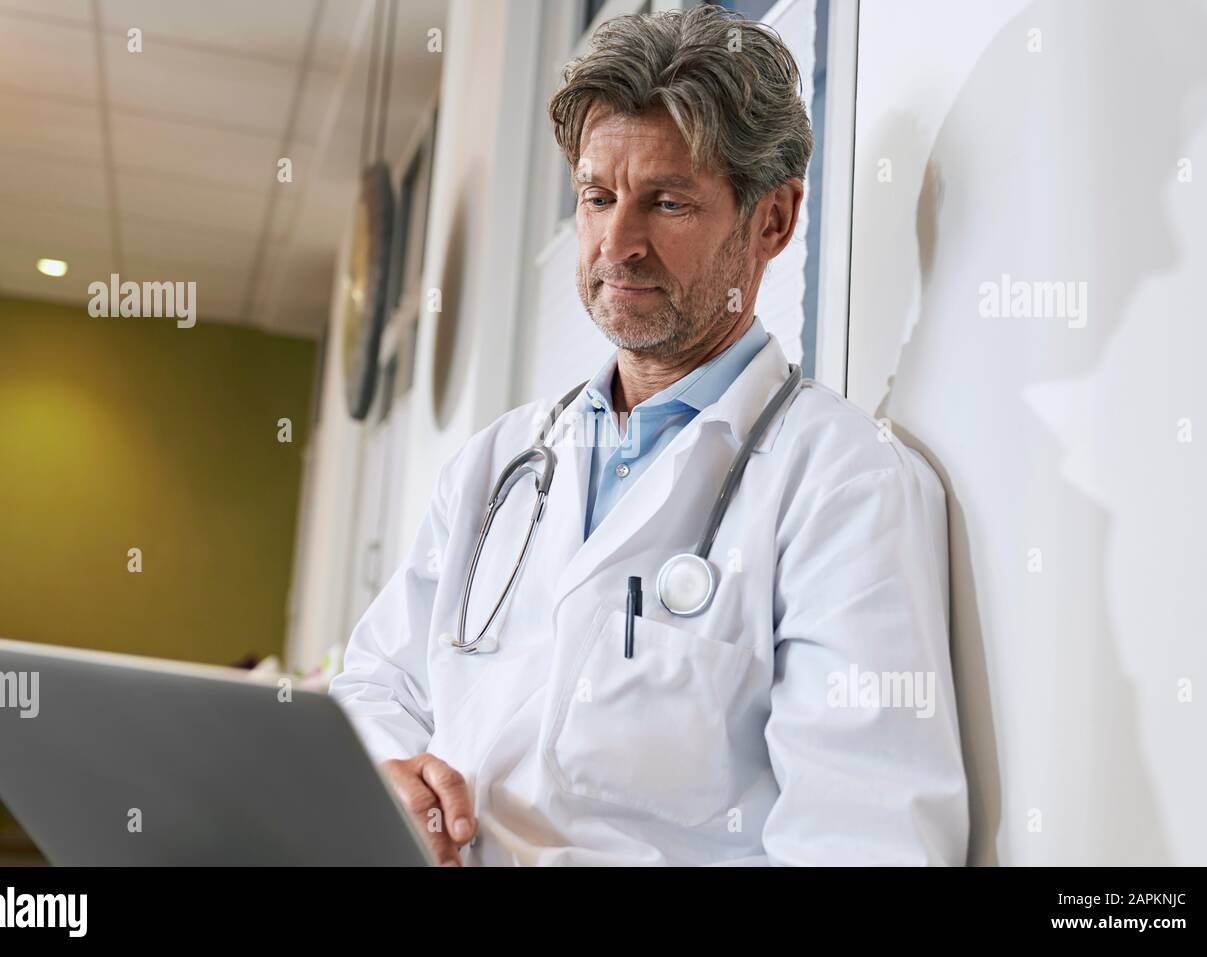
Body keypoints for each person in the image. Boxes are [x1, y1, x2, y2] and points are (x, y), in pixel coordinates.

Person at [329, 4, 967, 866]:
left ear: (772, 221)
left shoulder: (847, 481)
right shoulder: (499, 462)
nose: (616, 244)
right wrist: (389, 773)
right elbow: (377, 682)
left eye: (667, 202)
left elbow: (865, 841)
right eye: (597, 197)